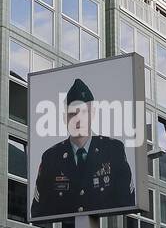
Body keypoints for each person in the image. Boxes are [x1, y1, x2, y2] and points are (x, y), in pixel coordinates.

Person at [30, 77, 135, 218]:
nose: (77, 119)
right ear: (64, 118)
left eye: (83, 113)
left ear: (93, 114)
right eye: (72, 113)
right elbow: (38, 211)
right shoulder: (51, 157)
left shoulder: (113, 150)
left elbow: (127, 202)